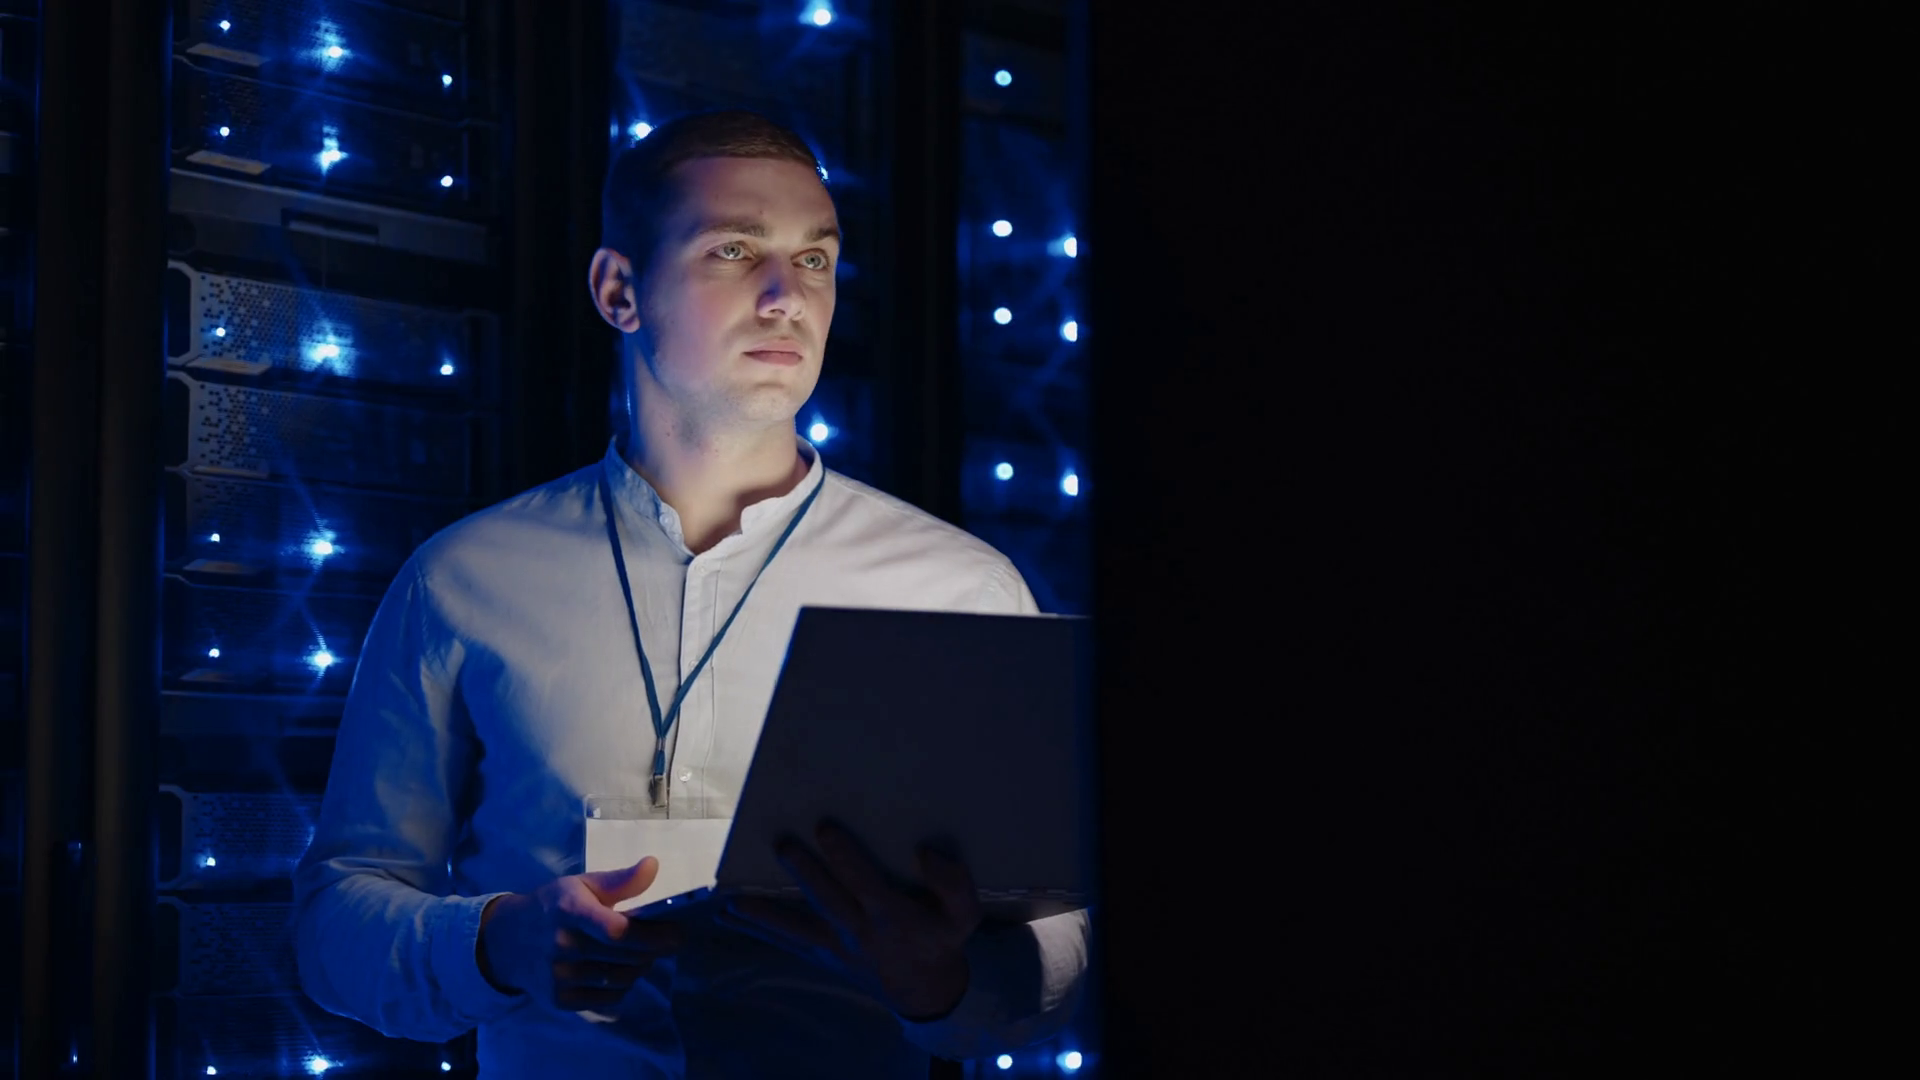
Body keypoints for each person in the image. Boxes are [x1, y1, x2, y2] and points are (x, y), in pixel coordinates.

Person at [291, 109, 1091, 1078]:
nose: (784, 295)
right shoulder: (464, 577)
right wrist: (500, 942)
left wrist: (941, 983)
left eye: (815, 260)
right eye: (734, 250)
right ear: (619, 290)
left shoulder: (959, 587)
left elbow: (1072, 939)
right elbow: (338, 917)